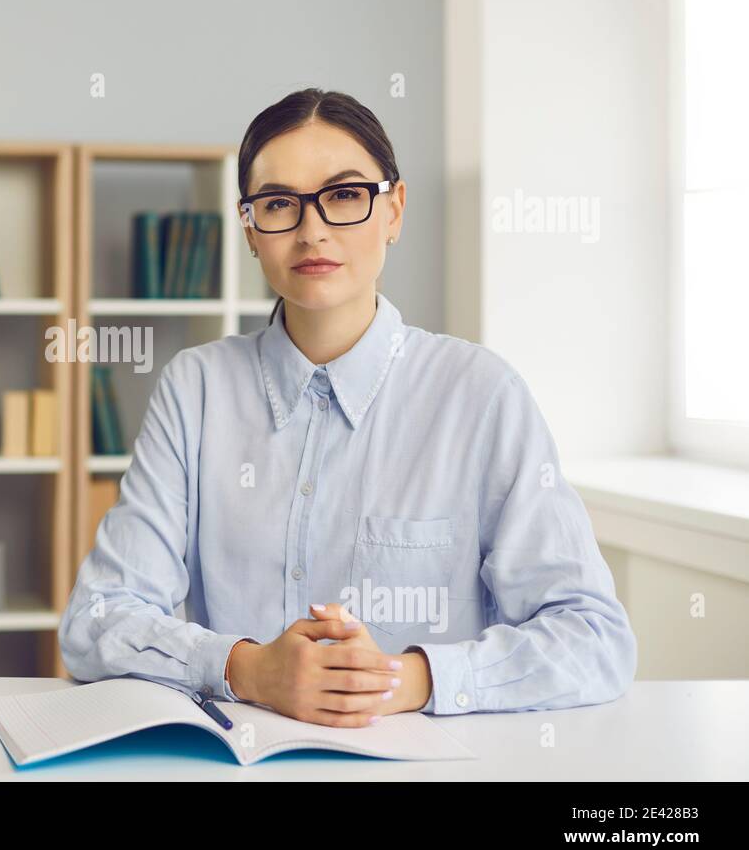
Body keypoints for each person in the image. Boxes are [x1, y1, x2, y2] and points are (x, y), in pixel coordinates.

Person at [58, 87, 637, 727]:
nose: (313, 231)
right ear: (249, 228)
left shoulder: (481, 393)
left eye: (343, 196)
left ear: (393, 210)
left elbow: (594, 639)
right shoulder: (196, 389)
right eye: (279, 204)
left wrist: (404, 679)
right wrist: (247, 669)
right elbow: (95, 622)